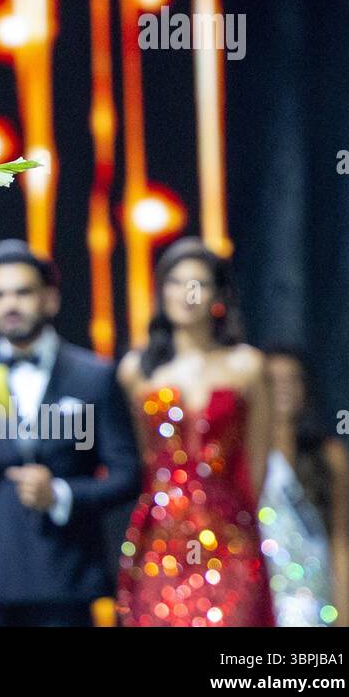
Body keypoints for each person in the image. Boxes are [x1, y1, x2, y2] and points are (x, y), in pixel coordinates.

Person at [0, 240, 140, 626]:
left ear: (50, 299)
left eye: (23, 292)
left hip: (65, 582)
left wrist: (61, 493)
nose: (11, 305)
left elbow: (127, 476)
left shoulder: (94, 376)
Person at [116, 237, 274, 626]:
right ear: (160, 292)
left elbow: (258, 463)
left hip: (230, 536)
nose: (187, 294)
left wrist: (243, 523)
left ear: (218, 295)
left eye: (199, 284)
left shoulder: (247, 366)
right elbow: (141, 458)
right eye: (175, 282)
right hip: (160, 538)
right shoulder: (136, 370)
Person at [259, 344, 349, 626]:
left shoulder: (328, 456)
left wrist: (344, 616)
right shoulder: (244, 455)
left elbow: (340, 541)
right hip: (262, 599)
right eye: (273, 381)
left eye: (292, 379)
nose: (283, 388)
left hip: (315, 605)